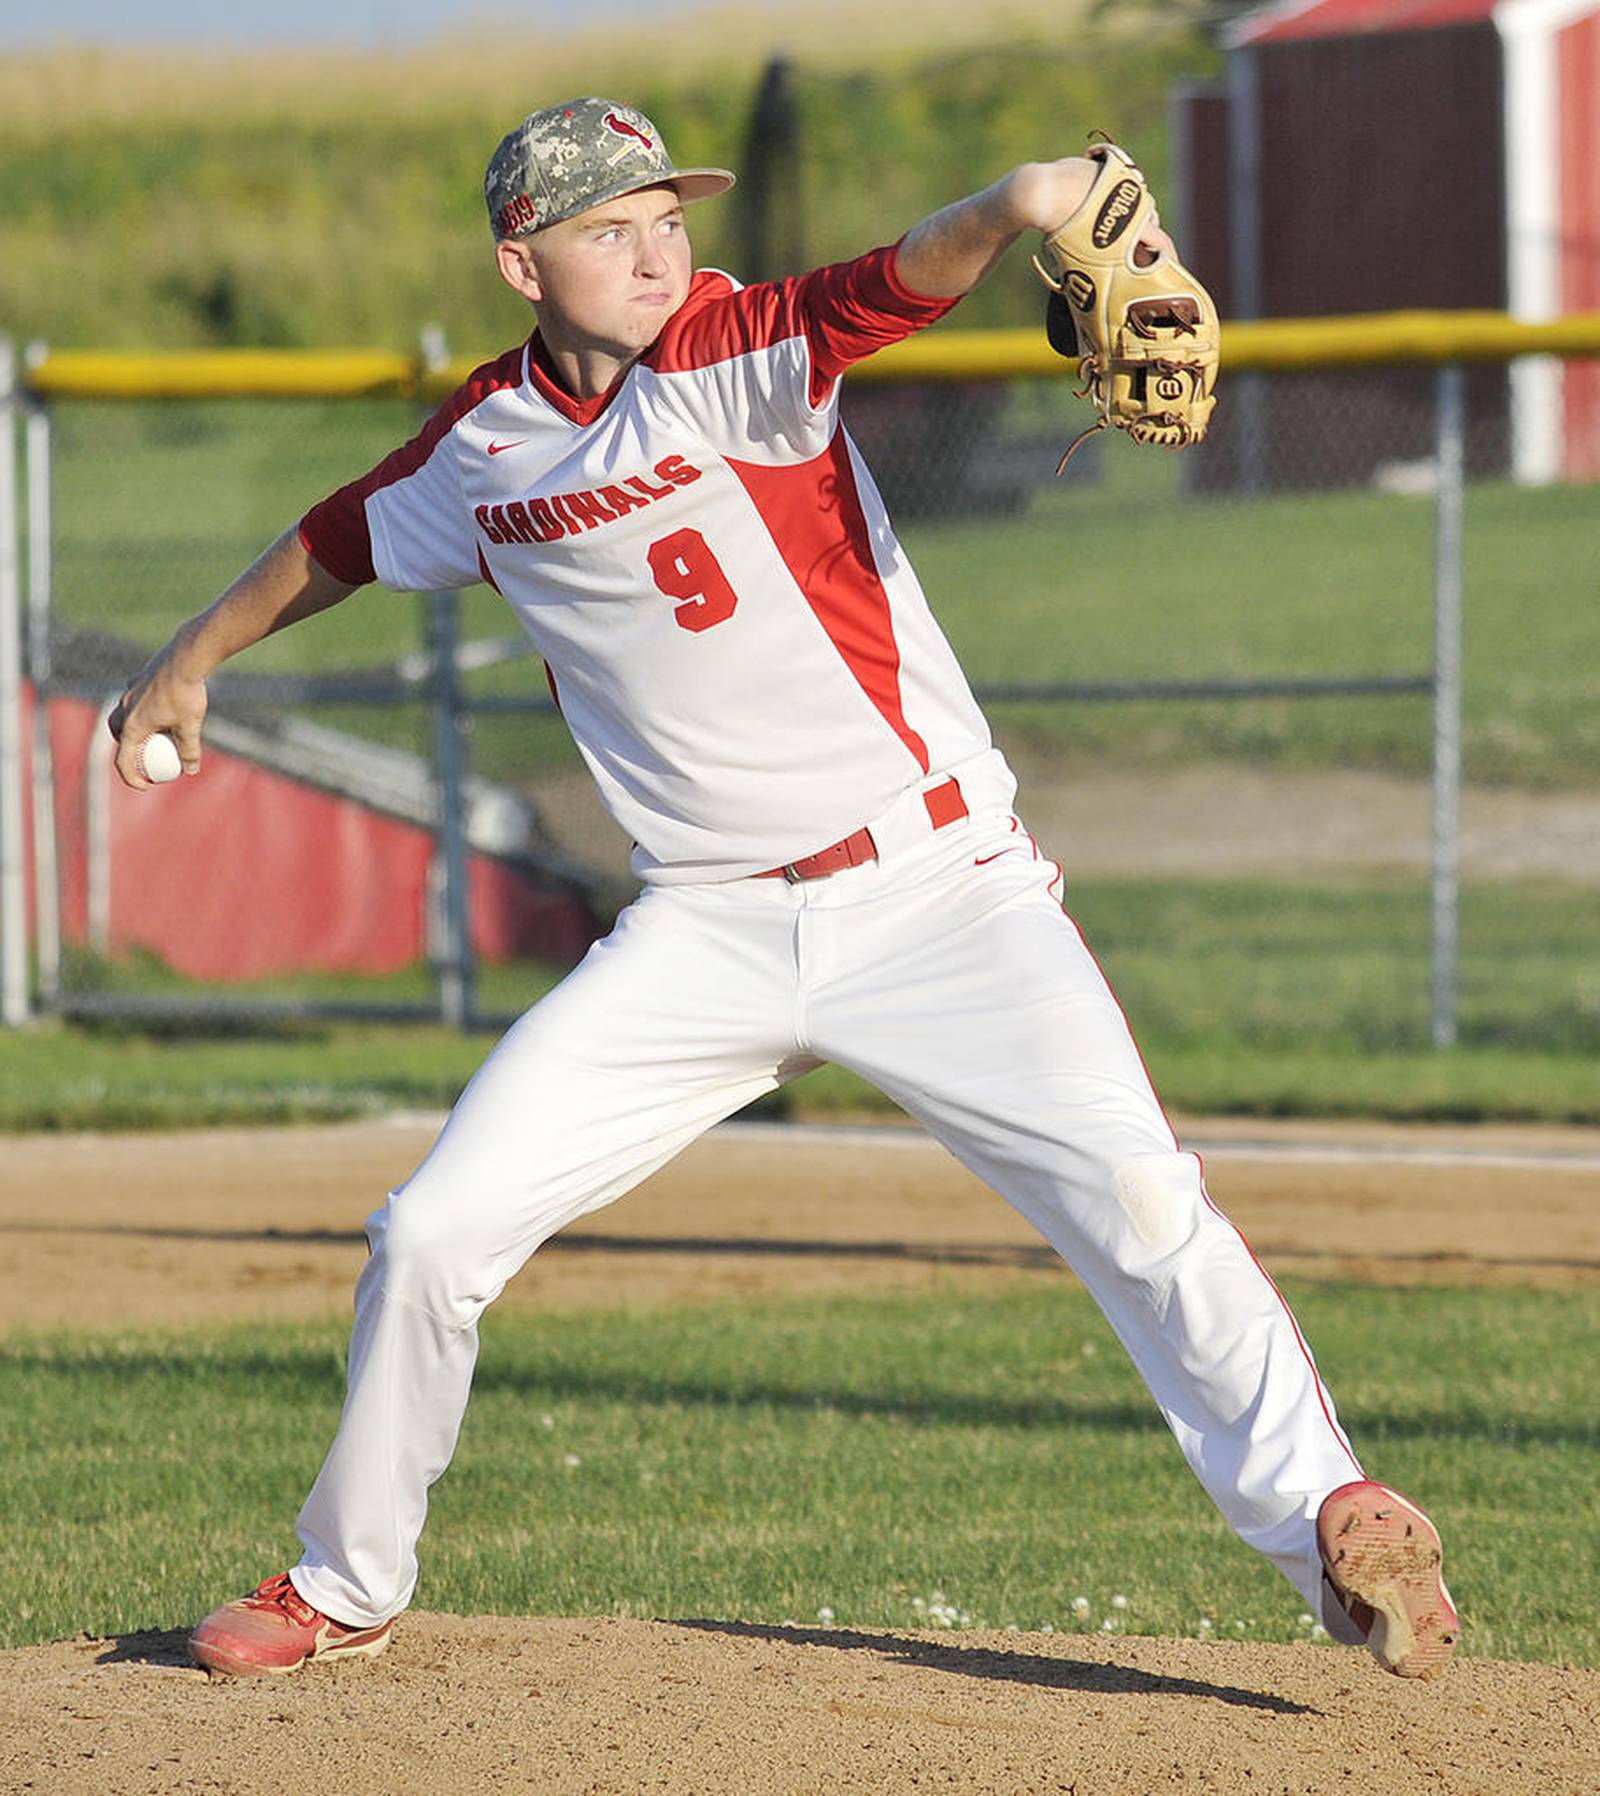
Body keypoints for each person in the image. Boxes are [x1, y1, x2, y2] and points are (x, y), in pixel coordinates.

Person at [111, 97, 1457, 1682]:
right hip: (705, 927)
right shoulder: (482, 448)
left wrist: (1023, 198)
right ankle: (343, 1584)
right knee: (431, 1233)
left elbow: (887, 284)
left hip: (942, 890)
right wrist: (189, 657)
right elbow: (335, 538)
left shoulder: (737, 352)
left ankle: (1338, 1523)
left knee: (1145, 1201)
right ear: (521, 265)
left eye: (667, 216)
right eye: (610, 228)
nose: (654, 247)